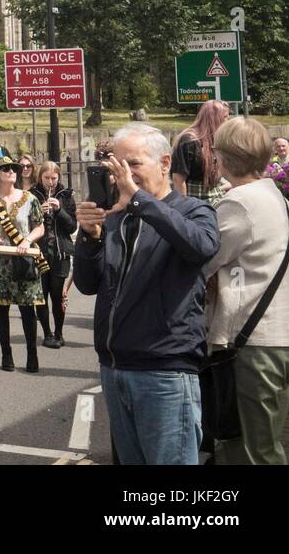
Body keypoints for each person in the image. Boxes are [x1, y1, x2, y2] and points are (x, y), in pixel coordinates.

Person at [74, 123, 220, 466]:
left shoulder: (193, 211)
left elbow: (201, 247)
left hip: (165, 371)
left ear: (165, 163)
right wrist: (90, 237)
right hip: (115, 368)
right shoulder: (117, 218)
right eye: (117, 165)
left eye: (134, 163)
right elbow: (88, 284)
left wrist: (139, 200)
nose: (123, 174)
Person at [205, 117, 289, 465]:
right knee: (262, 443)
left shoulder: (239, 203)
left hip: (251, 345)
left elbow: (201, 260)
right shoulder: (274, 194)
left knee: (252, 451)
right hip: (272, 339)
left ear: (222, 157)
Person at [0, 159, 45, 373]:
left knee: (27, 309)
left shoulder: (29, 198)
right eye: (7, 169)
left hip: (23, 260)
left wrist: (27, 240)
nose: (13, 171)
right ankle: (6, 354)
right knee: (1, 308)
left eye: (14, 168)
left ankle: (32, 354)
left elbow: (39, 227)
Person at [31, 161, 76, 349]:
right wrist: (37, 212)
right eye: (47, 178)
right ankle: (47, 333)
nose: (51, 182)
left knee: (57, 295)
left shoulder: (66, 196)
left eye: (54, 178)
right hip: (39, 252)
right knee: (41, 294)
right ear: (40, 178)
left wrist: (60, 210)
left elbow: (72, 226)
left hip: (59, 252)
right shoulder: (32, 195)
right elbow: (25, 225)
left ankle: (59, 333)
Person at [173, 99, 231, 203]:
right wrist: (184, 208)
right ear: (213, 118)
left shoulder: (216, 139)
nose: (228, 121)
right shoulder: (189, 141)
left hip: (214, 195)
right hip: (194, 199)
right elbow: (178, 180)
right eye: (225, 117)